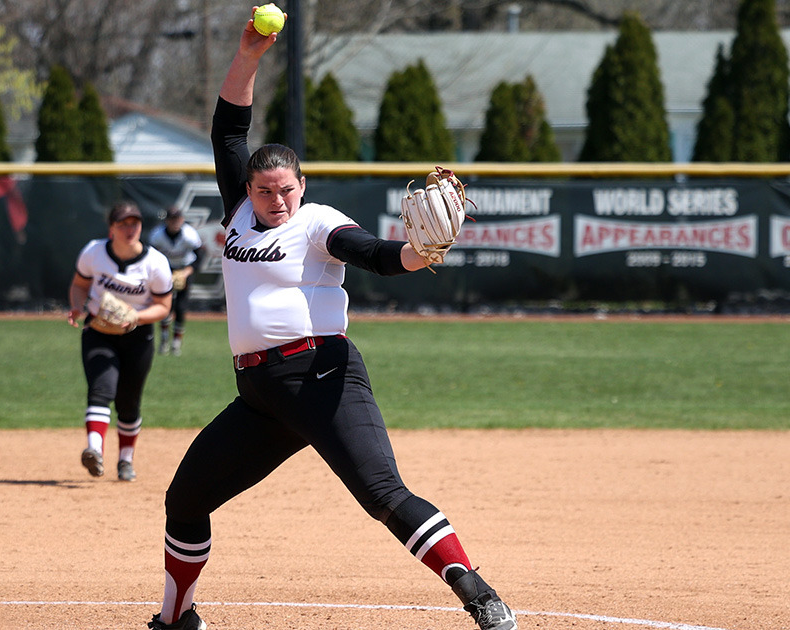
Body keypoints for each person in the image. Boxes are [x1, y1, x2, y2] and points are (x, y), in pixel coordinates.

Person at [147, 12, 517, 630]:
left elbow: (371, 254)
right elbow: (228, 127)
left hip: (323, 379)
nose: (278, 199)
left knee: (383, 496)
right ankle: (176, 616)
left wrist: (415, 253)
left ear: (302, 185)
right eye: (266, 190)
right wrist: (248, 55)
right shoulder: (239, 210)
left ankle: (479, 593)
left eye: (286, 188)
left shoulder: (316, 221)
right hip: (260, 396)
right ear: (249, 189)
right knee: (184, 500)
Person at [66, 201, 173, 482]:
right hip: (99, 331)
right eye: (123, 223)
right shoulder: (94, 252)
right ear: (111, 228)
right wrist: (77, 306)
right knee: (102, 388)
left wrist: (136, 316)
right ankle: (95, 449)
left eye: (135, 223)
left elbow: (163, 307)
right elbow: (79, 285)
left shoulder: (155, 263)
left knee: (129, 401)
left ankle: (125, 461)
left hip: (137, 335)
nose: (130, 228)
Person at [147, 206, 205, 356]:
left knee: (180, 307)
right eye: (172, 219)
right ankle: (165, 339)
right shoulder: (157, 235)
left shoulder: (189, 235)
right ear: (166, 221)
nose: (175, 222)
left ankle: (176, 343)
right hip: (166, 269)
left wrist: (187, 272)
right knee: (166, 305)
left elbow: (200, 255)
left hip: (185, 268)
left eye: (177, 219)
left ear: (182, 220)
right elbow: (150, 257)